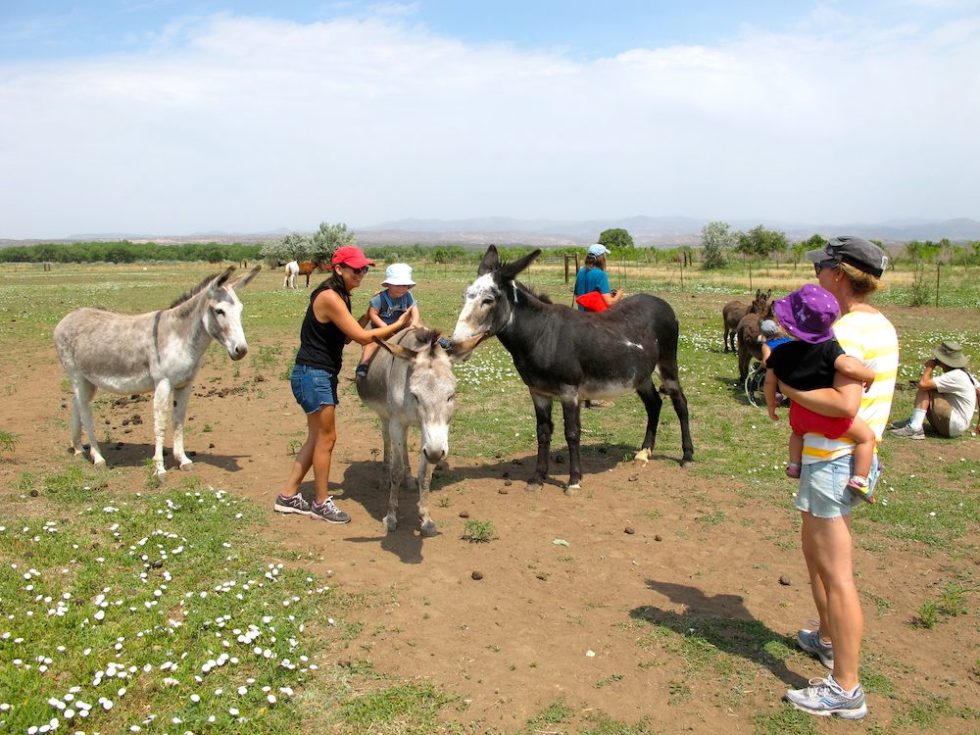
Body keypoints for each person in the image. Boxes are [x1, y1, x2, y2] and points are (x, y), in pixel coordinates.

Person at [777, 236, 897, 720]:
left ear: (840, 274)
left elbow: (843, 405)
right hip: (831, 459)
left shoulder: (844, 332)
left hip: (831, 460)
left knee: (837, 574)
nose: (818, 275)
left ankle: (846, 688)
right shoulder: (880, 326)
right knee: (816, 558)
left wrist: (785, 386)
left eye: (823, 267)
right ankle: (827, 639)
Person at [274, 246, 412, 524]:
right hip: (314, 375)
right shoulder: (329, 297)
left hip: (315, 374)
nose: (362, 273)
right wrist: (399, 324)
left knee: (316, 439)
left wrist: (365, 315)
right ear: (339, 269)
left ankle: (288, 496)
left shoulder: (338, 296)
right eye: (356, 269)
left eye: (365, 269)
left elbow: (348, 337)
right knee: (327, 439)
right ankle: (321, 504)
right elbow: (362, 339)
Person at [763, 285, 878, 502]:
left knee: (797, 435)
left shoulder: (780, 352)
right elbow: (849, 368)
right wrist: (869, 375)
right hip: (829, 418)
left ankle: (795, 464)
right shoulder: (829, 349)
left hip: (799, 416)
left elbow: (770, 382)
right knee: (866, 437)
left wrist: (771, 405)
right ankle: (861, 479)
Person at [889, 341, 979, 439]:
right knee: (933, 387)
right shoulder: (966, 375)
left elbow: (923, 384)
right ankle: (913, 420)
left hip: (953, 425)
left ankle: (915, 427)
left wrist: (929, 367)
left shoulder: (955, 376)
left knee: (926, 388)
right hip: (958, 427)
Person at [355, 263, 421, 379]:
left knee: (420, 328)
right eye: (397, 285)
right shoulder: (379, 298)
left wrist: (414, 322)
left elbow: (414, 309)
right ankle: (364, 365)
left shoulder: (408, 295)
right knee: (371, 344)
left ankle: (436, 341)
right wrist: (383, 326)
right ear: (388, 284)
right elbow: (372, 314)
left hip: (400, 324)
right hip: (381, 326)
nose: (402, 288)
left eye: (405, 285)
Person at [572, 243, 625, 312]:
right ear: (601, 258)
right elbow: (610, 302)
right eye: (604, 255)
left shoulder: (581, 272)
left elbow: (578, 296)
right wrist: (619, 295)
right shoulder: (601, 274)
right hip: (596, 318)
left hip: (582, 316)